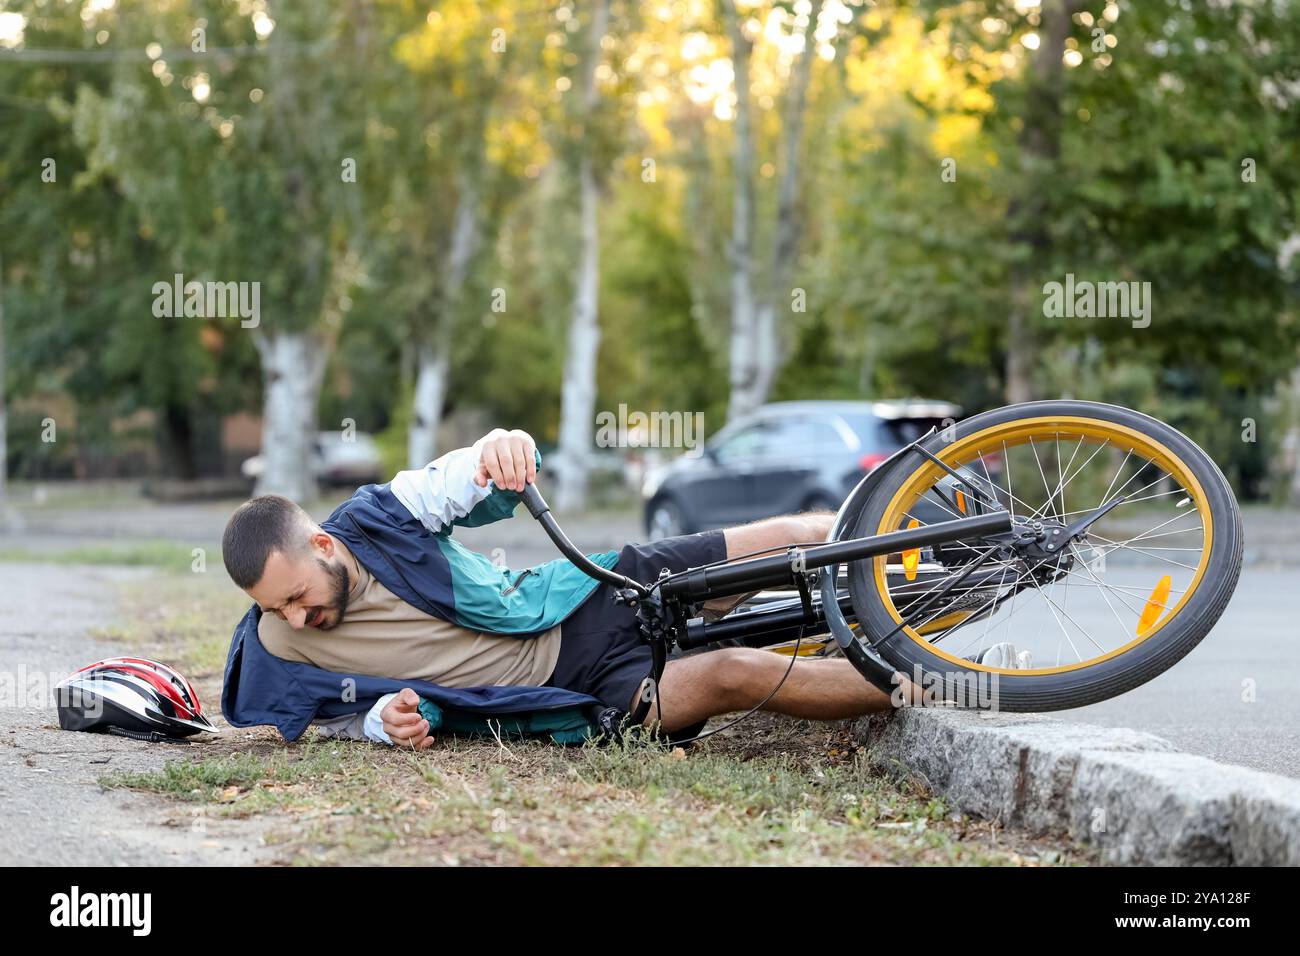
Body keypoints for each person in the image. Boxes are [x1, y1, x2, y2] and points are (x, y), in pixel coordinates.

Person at [219, 427, 909, 749]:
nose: (294, 616)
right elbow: (308, 712)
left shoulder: (376, 517)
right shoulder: (281, 642)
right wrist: (374, 723)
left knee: (773, 539)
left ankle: (929, 530)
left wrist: (499, 450)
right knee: (732, 671)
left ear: (321, 543)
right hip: (577, 695)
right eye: (275, 607)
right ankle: (937, 682)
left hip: (579, 595)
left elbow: (454, 482)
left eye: (295, 595)